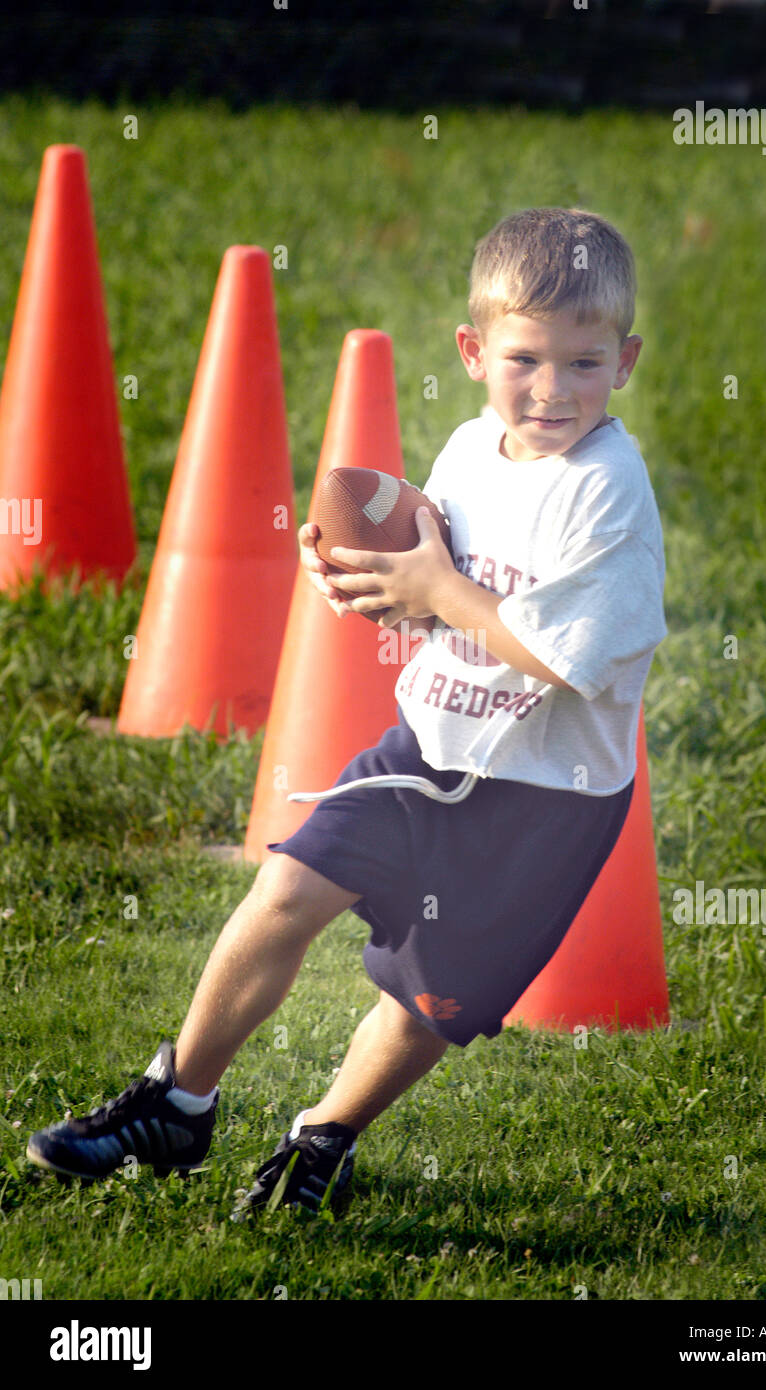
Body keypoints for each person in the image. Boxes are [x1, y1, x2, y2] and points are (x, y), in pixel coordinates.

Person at [27, 206, 667, 1219]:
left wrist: (436, 592)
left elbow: (553, 654)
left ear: (625, 360)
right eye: (526, 359)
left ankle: (324, 1132)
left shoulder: (608, 492)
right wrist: (361, 577)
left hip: (544, 799)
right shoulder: (466, 452)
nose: (553, 390)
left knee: (427, 1002)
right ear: (472, 352)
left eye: (585, 363)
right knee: (284, 885)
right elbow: (434, 597)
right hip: (428, 751)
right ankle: (176, 1099)